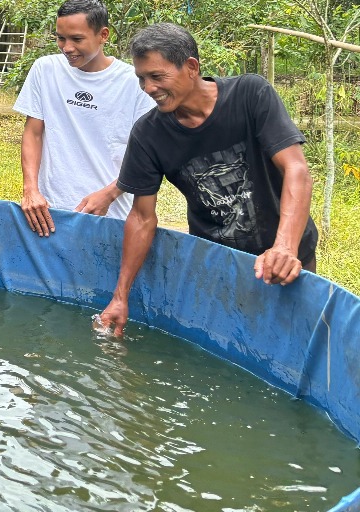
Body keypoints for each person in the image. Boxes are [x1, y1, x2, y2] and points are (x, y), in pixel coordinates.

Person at [97, 23, 318, 337]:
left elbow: (296, 170)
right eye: (141, 79)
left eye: (157, 76)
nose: (148, 88)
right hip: (219, 263)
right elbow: (142, 217)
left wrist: (285, 247)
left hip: (290, 254)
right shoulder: (148, 135)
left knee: (295, 337)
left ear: (191, 67)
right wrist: (121, 297)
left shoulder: (250, 95)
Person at [14, 0, 155, 235]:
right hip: (50, 212)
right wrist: (31, 190)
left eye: (77, 39)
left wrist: (110, 194)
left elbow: (147, 155)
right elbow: (34, 133)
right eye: (61, 38)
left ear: (103, 35)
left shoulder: (133, 83)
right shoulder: (45, 70)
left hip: (110, 214)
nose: (67, 48)